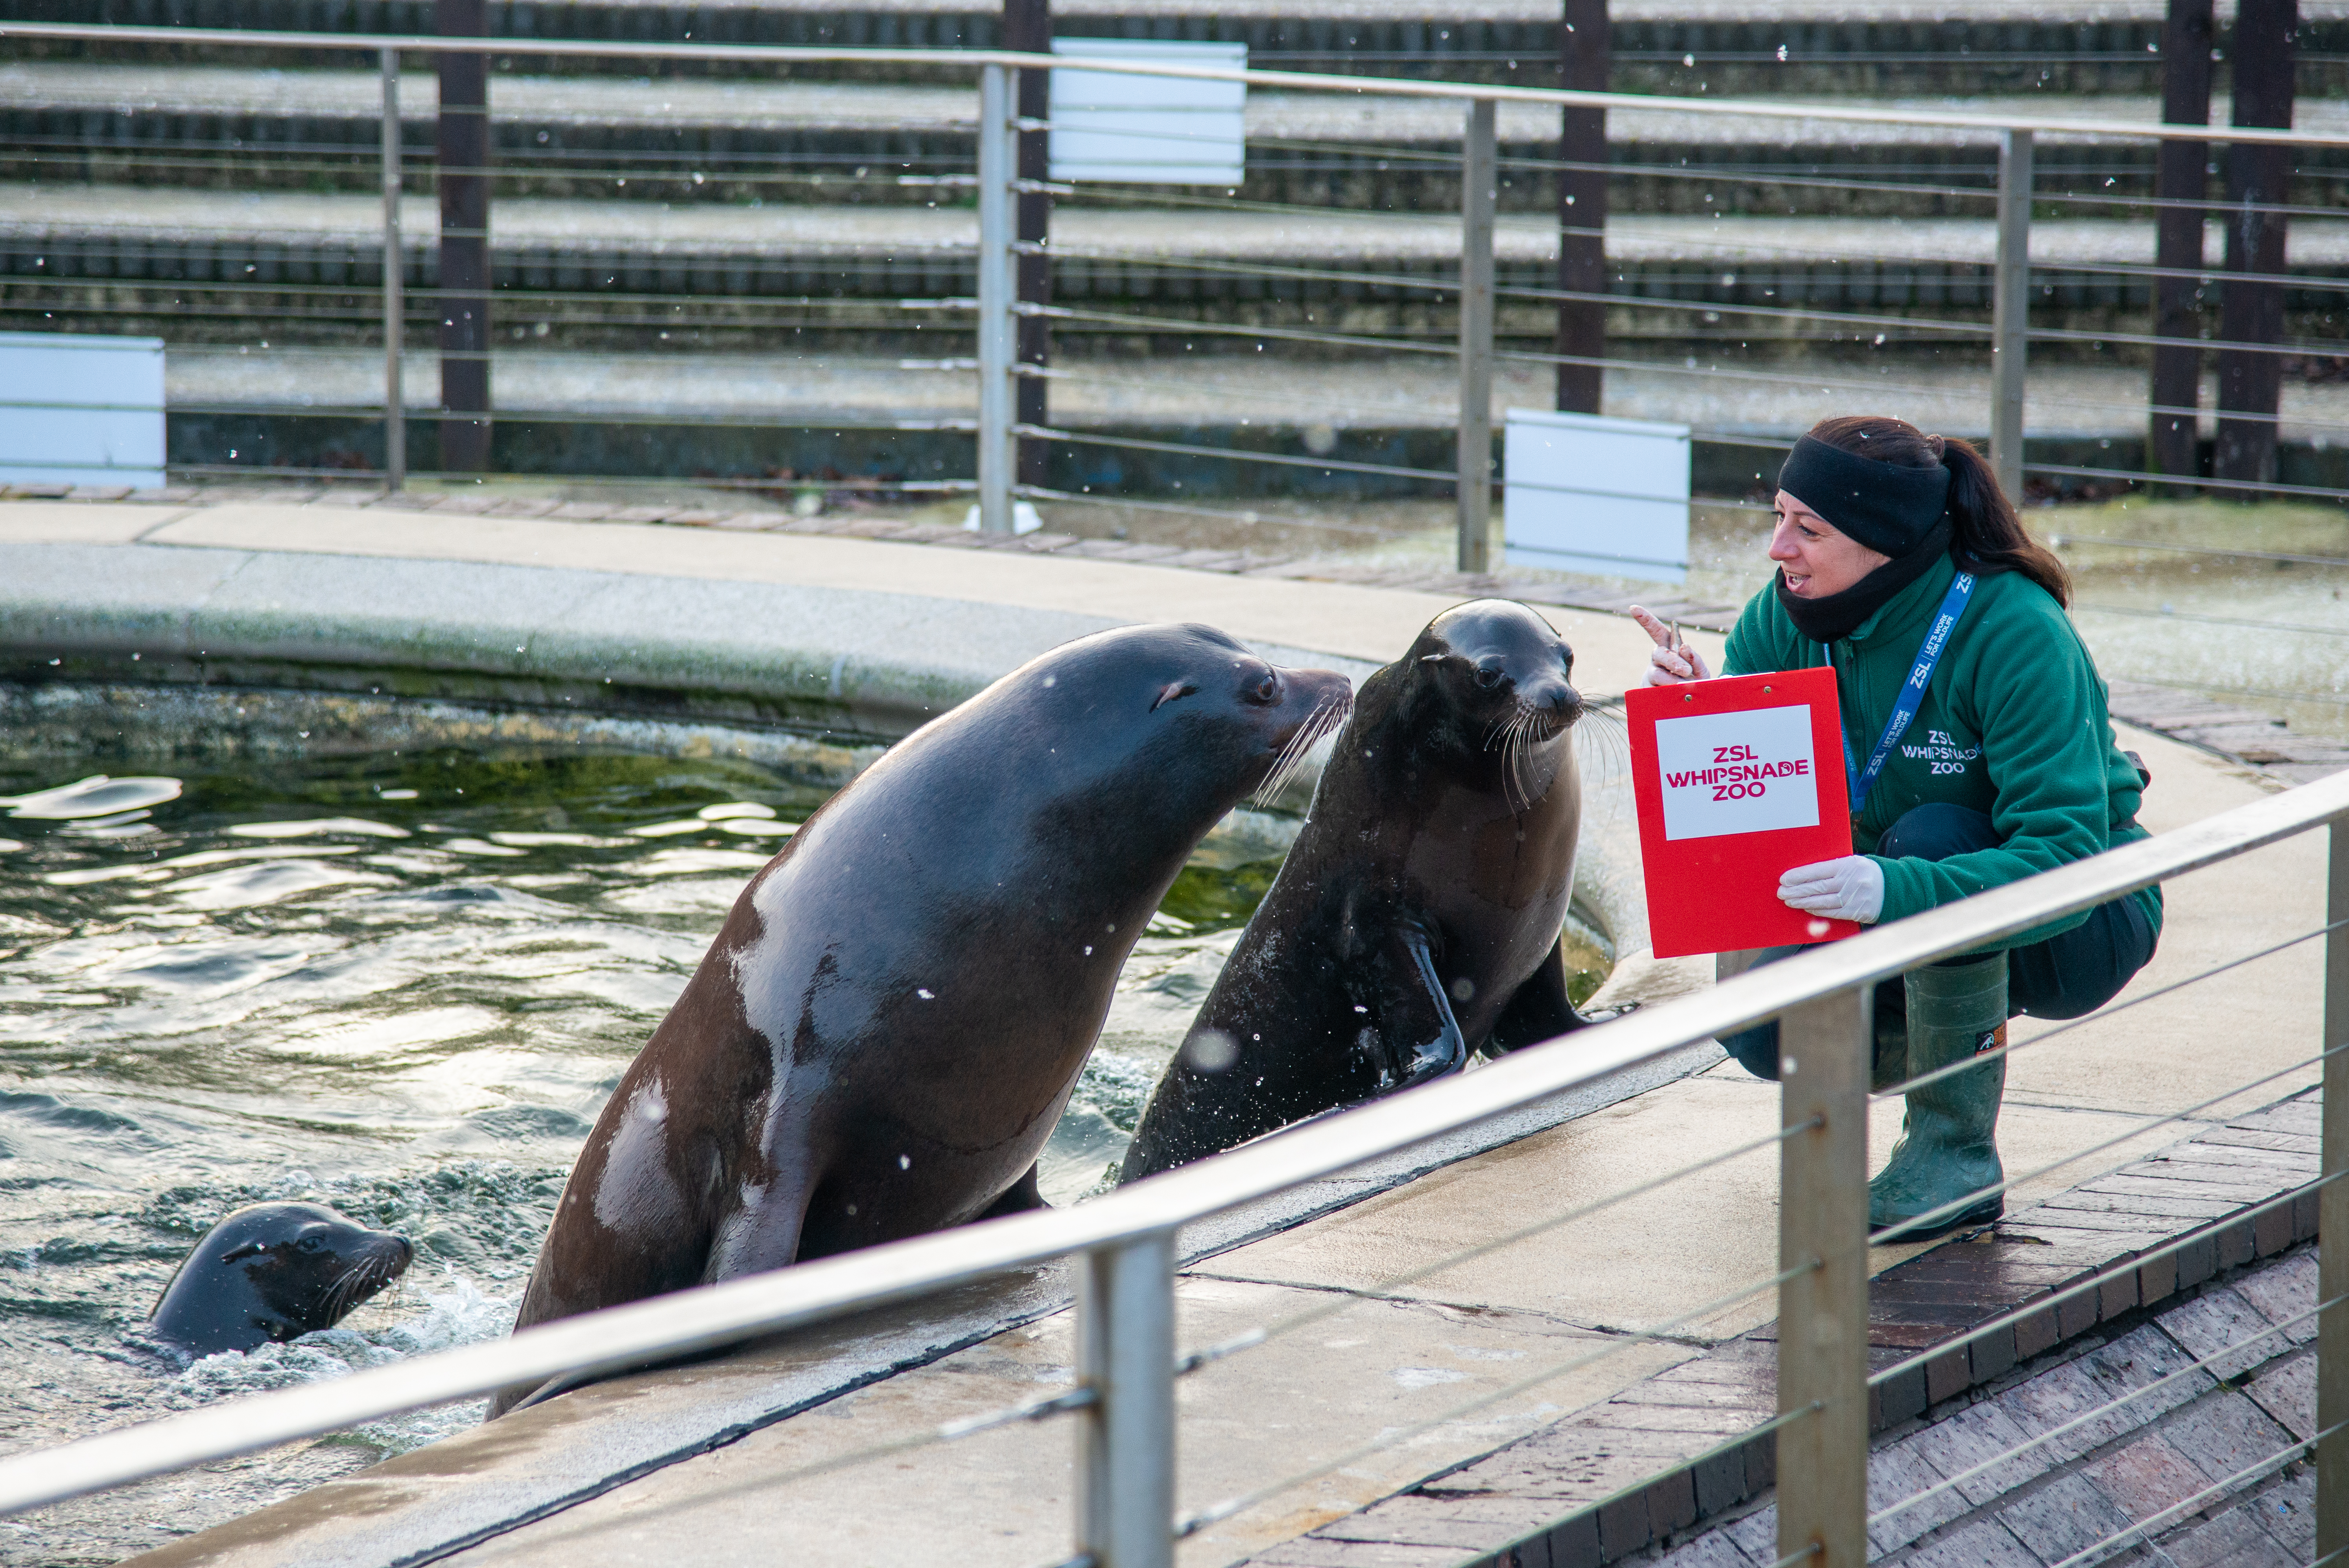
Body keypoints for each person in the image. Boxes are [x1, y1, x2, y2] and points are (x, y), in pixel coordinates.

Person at [1632, 415, 2160, 1242]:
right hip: (1887, 886)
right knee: (1763, 1026)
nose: (1778, 548)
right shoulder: (1784, 619)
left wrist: (1890, 887)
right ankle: (1935, 1042)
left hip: (2082, 918)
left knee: (1933, 835)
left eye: (1807, 528)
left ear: (1882, 539)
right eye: (1777, 517)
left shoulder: (2012, 629)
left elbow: (2063, 862)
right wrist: (1699, 711)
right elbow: (1748, 810)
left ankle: (1950, 1158)